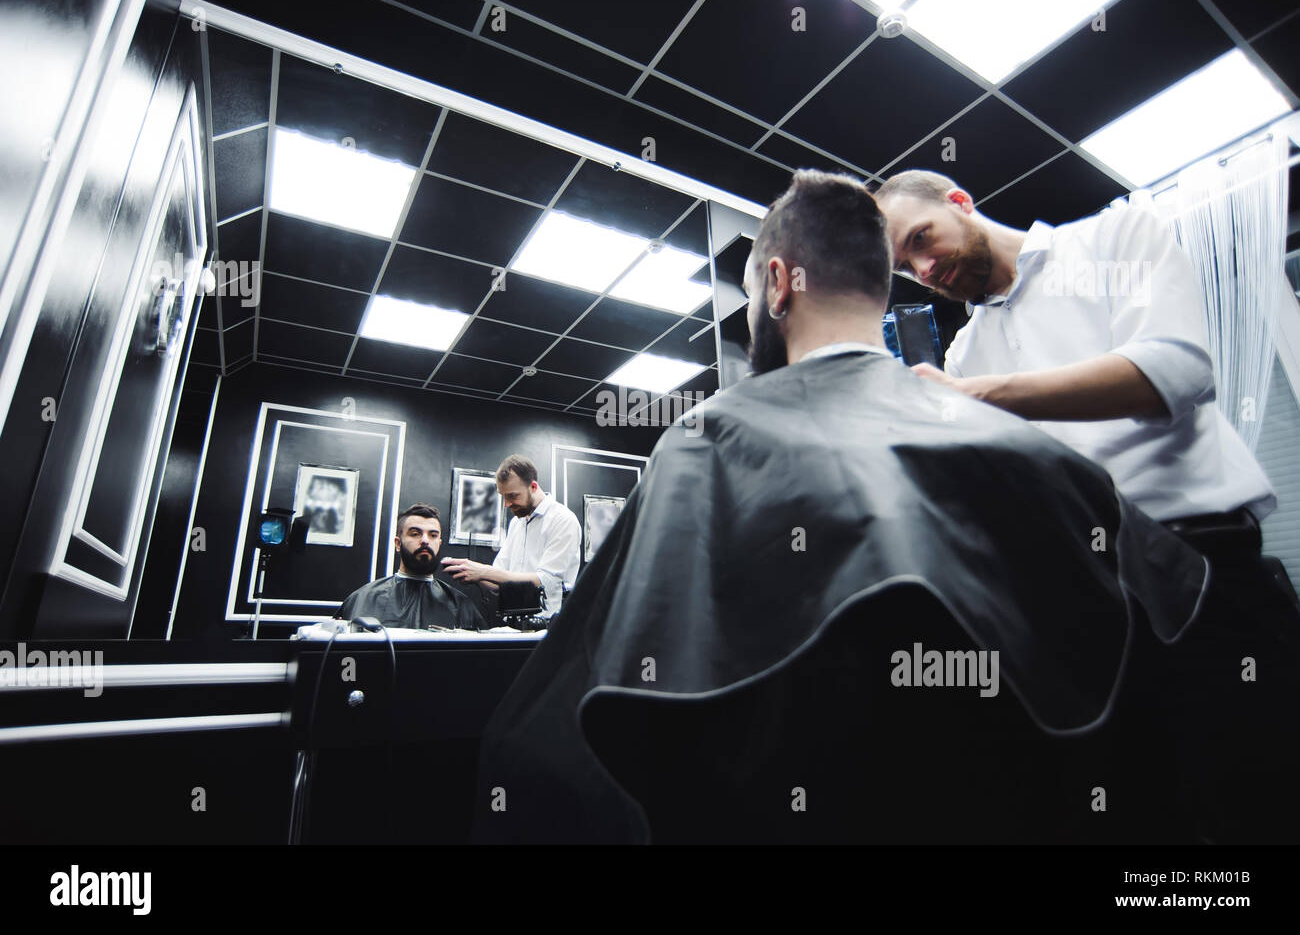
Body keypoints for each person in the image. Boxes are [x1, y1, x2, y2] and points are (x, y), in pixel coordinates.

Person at [473, 170, 1220, 844]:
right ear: (881, 286)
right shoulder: (1050, 459)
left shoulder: (706, 444)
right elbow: (1154, 662)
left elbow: (584, 727)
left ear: (776, 284)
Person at [877, 169, 1300, 839]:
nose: (926, 268)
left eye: (922, 238)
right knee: (1161, 822)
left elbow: (1177, 370)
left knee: (1264, 793)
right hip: (1089, 611)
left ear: (962, 201)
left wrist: (977, 397)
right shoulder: (963, 354)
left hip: (1209, 577)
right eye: (907, 267)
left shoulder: (1115, 236)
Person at [441, 454, 579, 621]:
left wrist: (484, 571)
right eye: (503, 496)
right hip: (513, 623)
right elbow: (498, 583)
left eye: (513, 496)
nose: (506, 504)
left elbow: (546, 581)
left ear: (533, 487)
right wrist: (471, 573)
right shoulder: (516, 523)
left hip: (548, 626)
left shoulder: (562, 519)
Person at [334, 503, 485, 631]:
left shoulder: (460, 605)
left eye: (433, 535)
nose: (425, 540)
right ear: (398, 544)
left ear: (439, 544)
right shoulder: (362, 598)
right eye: (415, 534)